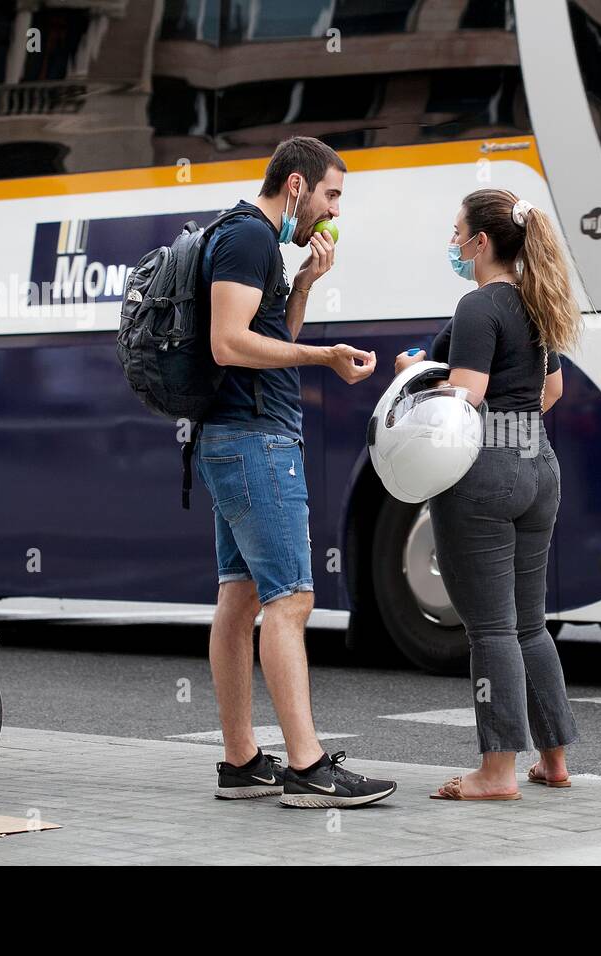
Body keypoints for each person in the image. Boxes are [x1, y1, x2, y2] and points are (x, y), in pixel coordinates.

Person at [196, 135, 396, 808]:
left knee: (243, 597)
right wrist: (325, 355)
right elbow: (228, 343)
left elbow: (264, 337)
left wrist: (304, 286)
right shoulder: (250, 237)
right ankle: (308, 770)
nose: (333, 210)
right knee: (292, 599)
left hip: (238, 436)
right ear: (296, 188)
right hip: (256, 441)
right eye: (331, 195)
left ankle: (241, 761)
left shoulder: (256, 241)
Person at [394, 188, 583, 801]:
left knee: (492, 630)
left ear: (481, 242)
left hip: (485, 469)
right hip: (538, 461)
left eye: (457, 233)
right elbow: (549, 394)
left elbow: (465, 397)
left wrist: (410, 380)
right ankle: (553, 760)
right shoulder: (537, 303)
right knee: (531, 624)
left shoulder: (478, 306)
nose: (452, 243)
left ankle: (497, 771)